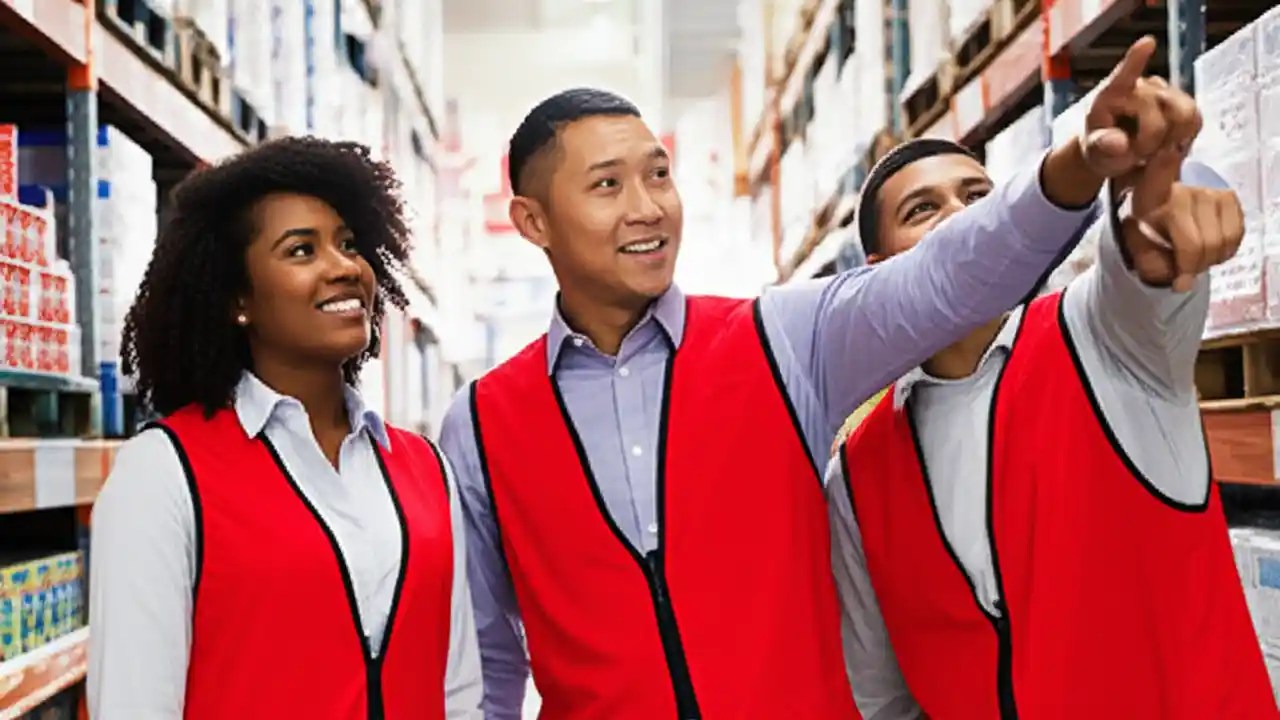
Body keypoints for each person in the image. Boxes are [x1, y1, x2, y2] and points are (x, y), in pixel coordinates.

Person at [440, 37, 1187, 719]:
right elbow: (489, 661)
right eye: (607, 186)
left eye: (659, 175)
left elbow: (941, 281)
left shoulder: (781, 340)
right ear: (533, 221)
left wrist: (1076, 163)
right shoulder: (480, 424)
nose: (648, 209)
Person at [829, 105, 1278, 716]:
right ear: (880, 274)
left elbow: (1145, 255)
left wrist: (1171, 204)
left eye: (979, 197)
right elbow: (882, 696)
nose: (964, 218)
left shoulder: (1104, 340)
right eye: (923, 210)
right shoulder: (858, 473)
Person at [87, 137, 483, 719]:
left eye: (349, 244)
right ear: (238, 299)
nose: (343, 267)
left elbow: (459, 693)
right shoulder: (165, 473)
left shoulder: (425, 470)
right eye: (301, 251)